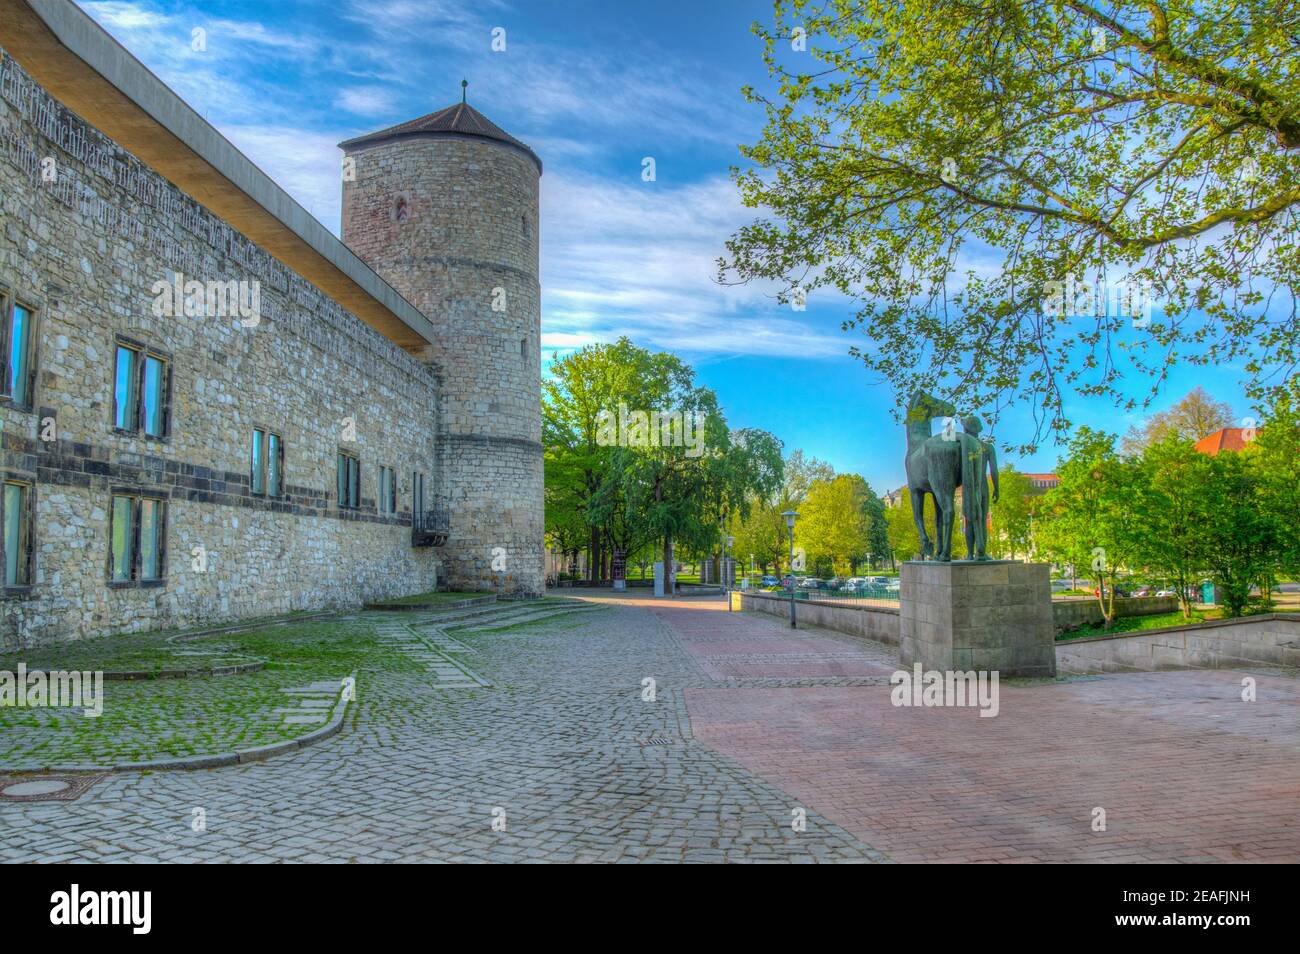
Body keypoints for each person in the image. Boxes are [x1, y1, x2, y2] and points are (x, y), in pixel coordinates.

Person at [959, 415, 999, 560]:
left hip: (968, 486)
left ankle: (970, 554)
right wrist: (997, 488)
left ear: (965, 429)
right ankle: (981, 552)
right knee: (982, 520)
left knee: (969, 520)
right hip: (983, 486)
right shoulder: (988, 448)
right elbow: (994, 470)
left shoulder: (962, 448)